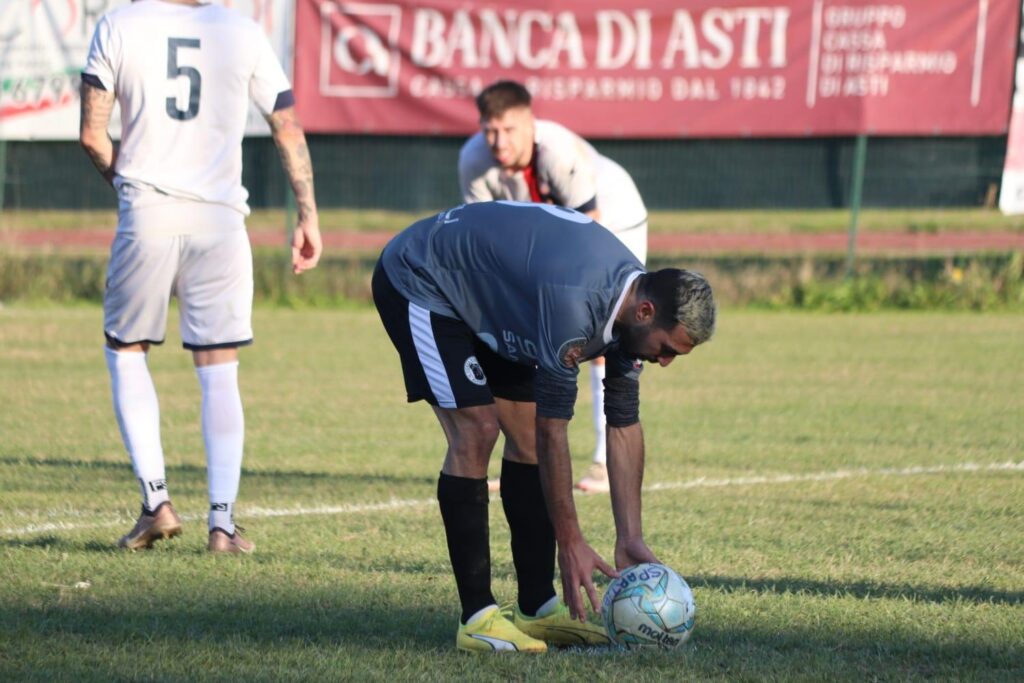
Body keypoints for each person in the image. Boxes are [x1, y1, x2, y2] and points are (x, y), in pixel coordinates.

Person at [372, 200, 715, 652]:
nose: (665, 361)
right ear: (646, 311)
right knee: (477, 430)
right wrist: (570, 541)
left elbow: (624, 422)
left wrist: (629, 537)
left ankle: (536, 608)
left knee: (526, 440)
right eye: (668, 348)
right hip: (422, 277)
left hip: (494, 299)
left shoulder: (630, 307)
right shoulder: (576, 304)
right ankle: (477, 619)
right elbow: (554, 429)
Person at [79, 0, 321, 553]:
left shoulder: (118, 24)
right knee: (219, 368)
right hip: (221, 221)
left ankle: (156, 503)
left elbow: (92, 135)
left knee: (126, 351)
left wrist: (130, 187)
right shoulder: (242, 31)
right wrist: (307, 213)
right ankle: (222, 525)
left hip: (148, 214)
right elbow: (286, 127)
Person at [458, 80, 649, 494]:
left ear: (530, 123)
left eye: (509, 130)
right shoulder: (473, 159)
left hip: (614, 222)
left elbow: (589, 235)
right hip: (548, 239)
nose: (498, 142)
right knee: (515, 337)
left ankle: (604, 460)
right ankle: (523, 456)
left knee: (609, 335)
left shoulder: (559, 153)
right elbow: (482, 239)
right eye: (490, 130)